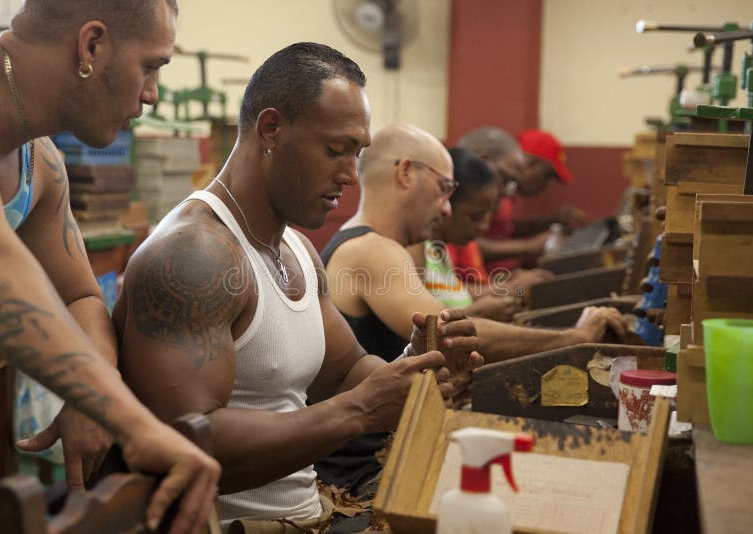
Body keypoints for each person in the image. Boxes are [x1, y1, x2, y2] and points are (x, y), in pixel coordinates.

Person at [113, 42, 480, 533]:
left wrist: (413, 371)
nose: (350, 176)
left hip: (314, 515)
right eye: (335, 150)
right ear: (271, 129)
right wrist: (363, 409)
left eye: (357, 153)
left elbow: (347, 371)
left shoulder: (297, 251)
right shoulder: (194, 256)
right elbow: (187, 443)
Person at [0, 2, 219, 532]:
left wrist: (91, 391)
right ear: (91, 46)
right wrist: (127, 418)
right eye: (151, 66)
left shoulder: (42, 164)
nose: (152, 93)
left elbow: (82, 298)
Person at [317, 122, 629, 505]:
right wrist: (574, 340)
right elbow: (451, 331)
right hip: (366, 475)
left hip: (391, 451)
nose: (447, 206)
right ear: (405, 173)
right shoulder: (370, 250)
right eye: (444, 189)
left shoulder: (393, 248)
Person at [416, 147, 529, 323]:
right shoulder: (417, 249)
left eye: (488, 215)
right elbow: (423, 327)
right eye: (474, 217)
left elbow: (453, 295)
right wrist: (476, 313)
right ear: (445, 202)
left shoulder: (442, 250)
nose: (483, 226)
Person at [458, 127, 586, 274]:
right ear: (530, 162)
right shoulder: (479, 192)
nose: (547, 184)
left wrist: (545, 221)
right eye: (547, 175)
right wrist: (531, 246)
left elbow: (503, 228)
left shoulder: (503, 190)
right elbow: (470, 243)